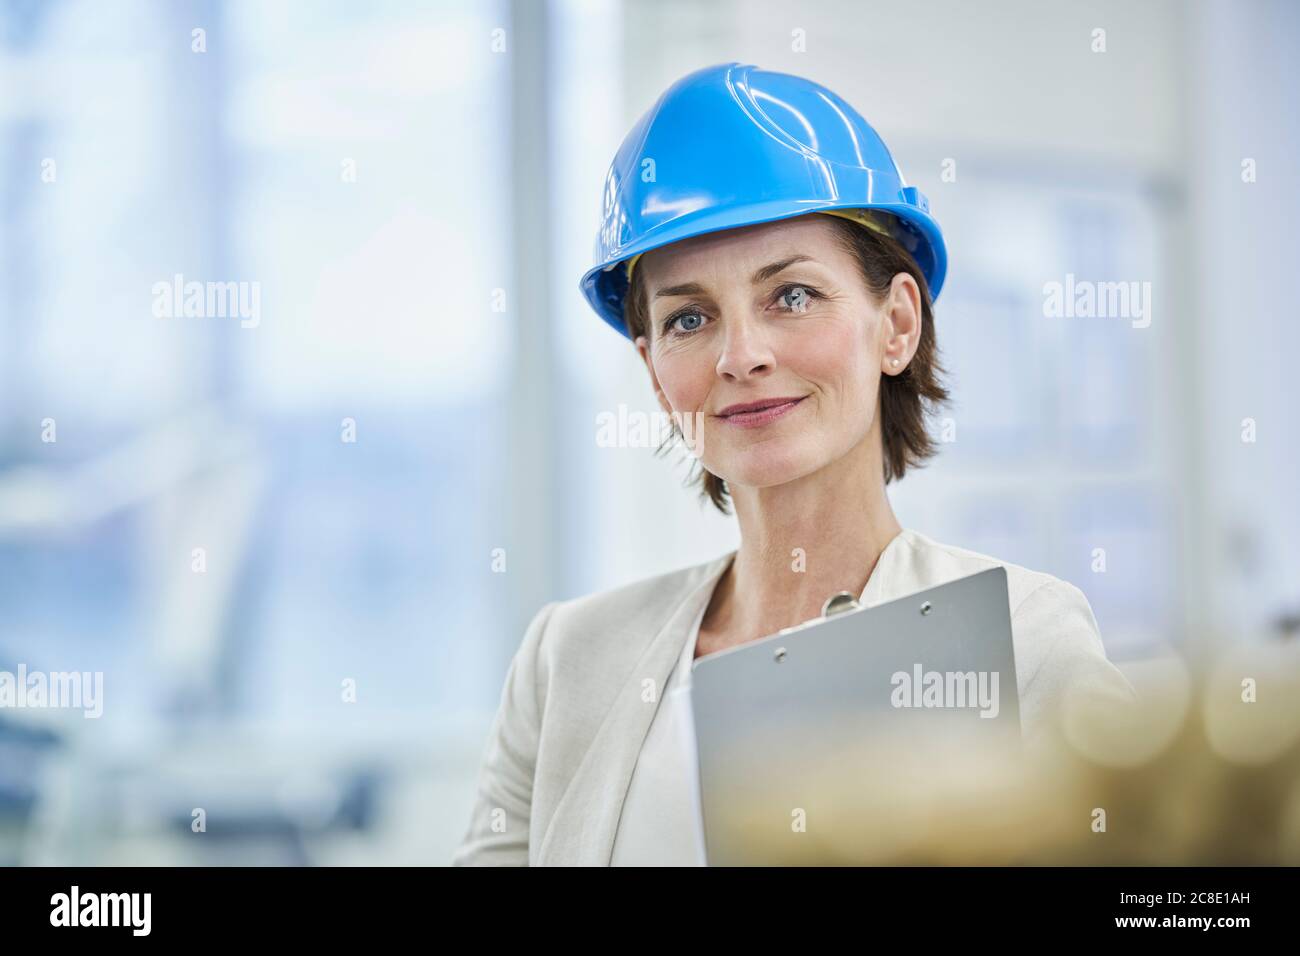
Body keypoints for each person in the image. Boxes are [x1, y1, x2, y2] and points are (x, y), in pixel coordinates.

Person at [453, 62, 1136, 866]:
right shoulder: (567, 661)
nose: (741, 356)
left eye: (793, 296)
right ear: (651, 368)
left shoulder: (1026, 642)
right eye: (689, 318)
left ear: (897, 324)